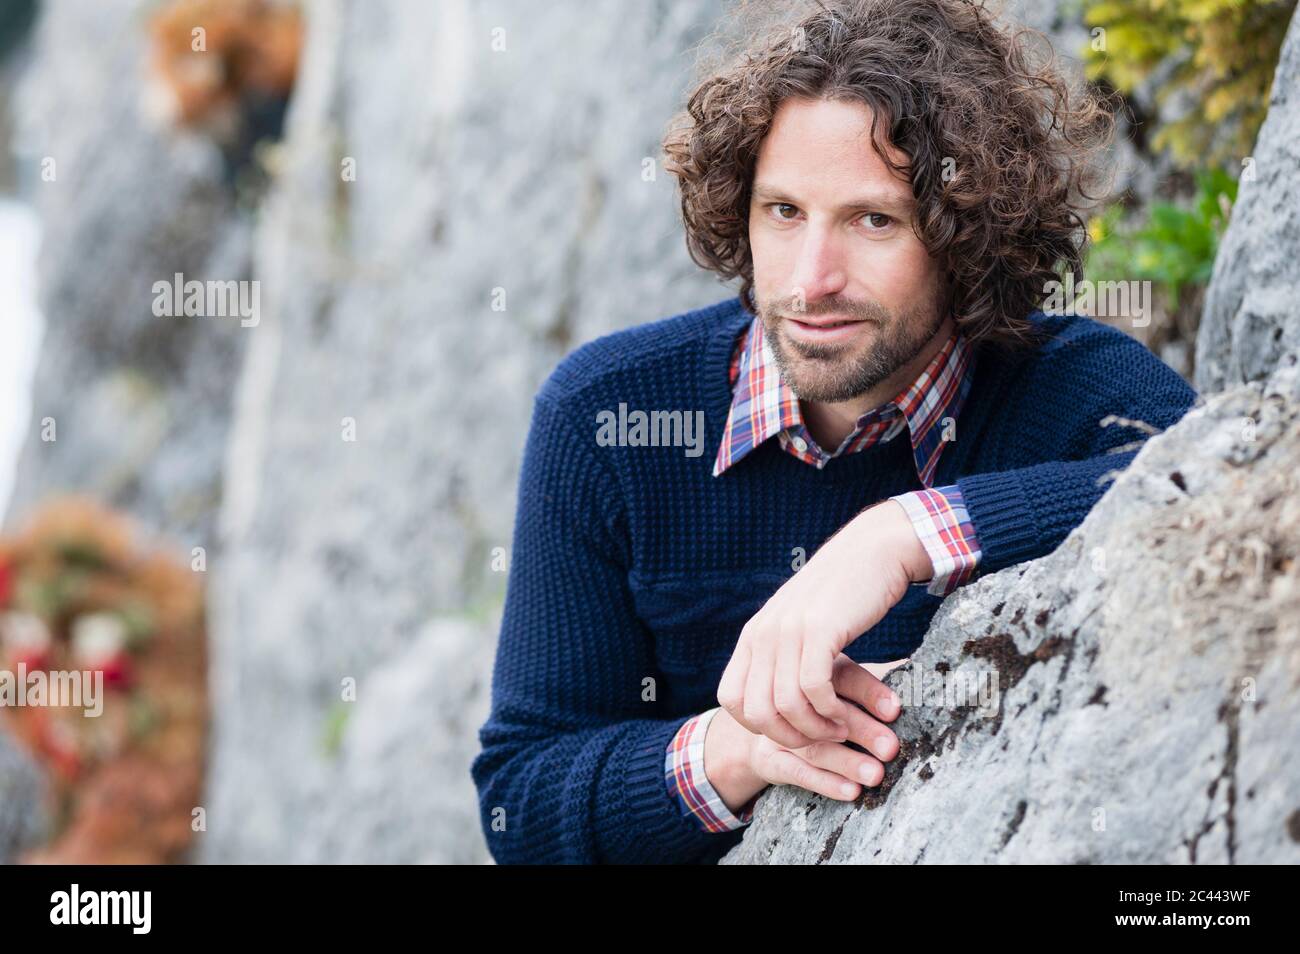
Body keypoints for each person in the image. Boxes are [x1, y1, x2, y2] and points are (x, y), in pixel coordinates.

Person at [471, 0, 1199, 864]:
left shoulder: (1067, 387)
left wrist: (902, 536)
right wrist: (742, 747)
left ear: (967, 236)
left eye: (873, 220)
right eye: (783, 212)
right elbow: (523, 801)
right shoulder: (606, 417)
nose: (811, 281)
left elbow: (1216, 476)